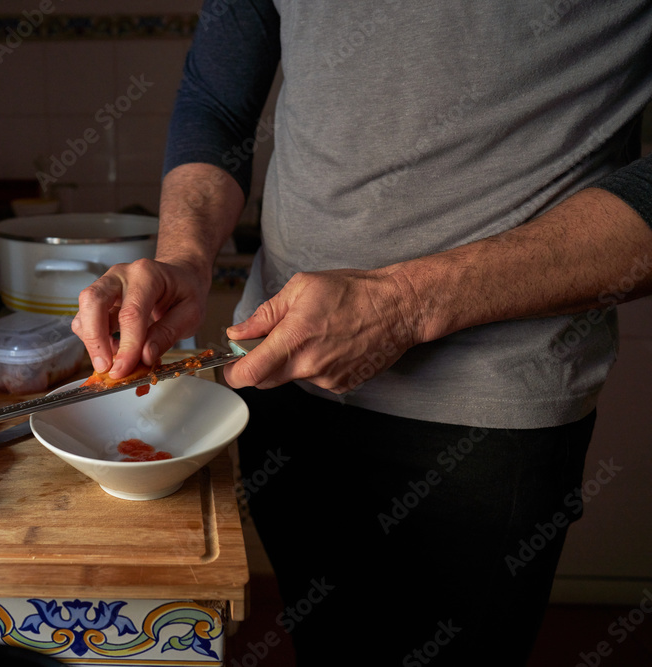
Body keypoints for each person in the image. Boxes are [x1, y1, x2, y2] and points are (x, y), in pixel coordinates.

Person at [72, 1, 652, 663]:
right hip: (284, 389)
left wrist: (404, 304)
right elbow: (218, 98)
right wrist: (184, 255)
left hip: (488, 423)